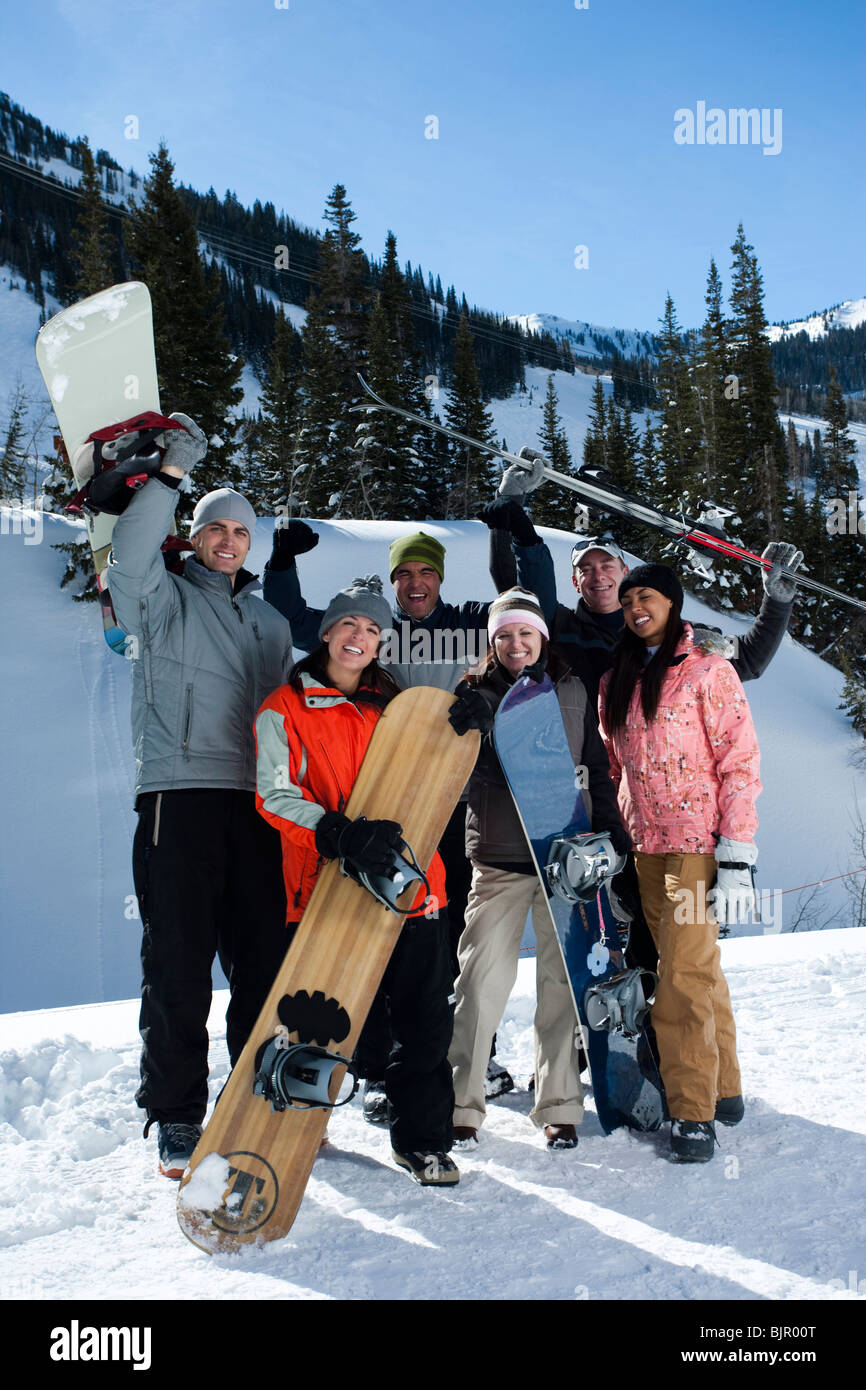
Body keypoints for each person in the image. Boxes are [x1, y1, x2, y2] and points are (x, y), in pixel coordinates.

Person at [264, 523, 556, 1109]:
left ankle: (472, 1051)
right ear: (392, 581)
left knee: (448, 934)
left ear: (440, 578)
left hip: (457, 794)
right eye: (404, 573)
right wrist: (282, 560)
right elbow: (293, 614)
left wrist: (512, 528)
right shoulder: (372, 627)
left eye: (425, 572)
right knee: (392, 929)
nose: (415, 582)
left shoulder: (470, 619)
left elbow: (529, 611)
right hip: (390, 801)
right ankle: (386, 1065)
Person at [108, 417, 296, 1179]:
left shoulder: (271, 623)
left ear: (252, 543)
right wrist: (170, 474)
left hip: (256, 809)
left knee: (261, 966)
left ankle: (254, 1101)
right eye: (214, 528)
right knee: (179, 965)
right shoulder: (160, 598)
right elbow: (125, 555)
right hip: (178, 798)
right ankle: (177, 1114)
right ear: (195, 534)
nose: (227, 540)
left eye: (239, 532)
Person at [253, 576, 458, 1186]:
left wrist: (476, 715)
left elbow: (445, 757)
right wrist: (336, 833)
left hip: (413, 885)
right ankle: (290, 1131)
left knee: (424, 1019)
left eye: (372, 629)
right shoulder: (282, 707)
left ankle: (423, 1142)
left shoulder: (397, 704)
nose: (360, 636)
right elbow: (274, 793)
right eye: (349, 624)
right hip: (330, 885)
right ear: (325, 631)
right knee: (328, 1018)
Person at [446, 587, 631, 1150]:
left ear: (542, 636)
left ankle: (559, 1104)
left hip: (565, 861)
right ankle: (461, 1104)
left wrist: (612, 833)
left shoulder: (572, 687)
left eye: (525, 632)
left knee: (561, 987)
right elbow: (454, 776)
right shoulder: (472, 693)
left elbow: (594, 767)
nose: (515, 642)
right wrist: (474, 733)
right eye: (504, 634)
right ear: (493, 641)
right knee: (480, 984)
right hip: (499, 859)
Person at [597, 563, 761, 1164]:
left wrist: (737, 855)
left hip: (697, 849)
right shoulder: (617, 679)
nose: (638, 607)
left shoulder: (708, 671)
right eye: (630, 599)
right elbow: (615, 768)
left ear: (673, 603)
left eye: (649, 597)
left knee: (680, 978)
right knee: (694, 968)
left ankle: (692, 1113)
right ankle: (725, 1090)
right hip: (645, 848)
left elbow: (738, 764)